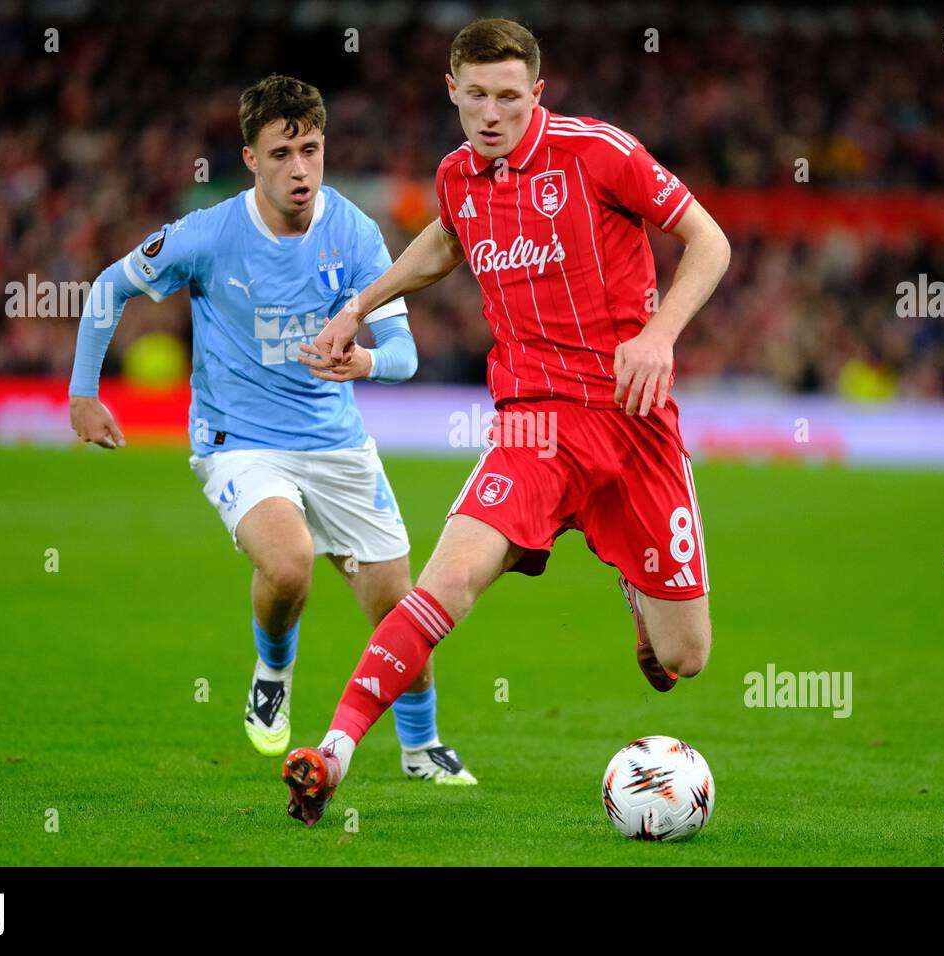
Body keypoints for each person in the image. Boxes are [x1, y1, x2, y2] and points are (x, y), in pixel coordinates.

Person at [283, 19, 730, 825]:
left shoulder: (599, 154)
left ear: (538, 94)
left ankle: (634, 585)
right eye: (477, 96)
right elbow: (444, 244)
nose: (493, 114)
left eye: (510, 98)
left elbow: (710, 239)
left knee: (684, 657)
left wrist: (659, 336)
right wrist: (358, 306)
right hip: (531, 424)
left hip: (633, 424)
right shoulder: (457, 175)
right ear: (453, 91)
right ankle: (334, 749)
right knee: (445, 582)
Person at [67, 74, 476, 785]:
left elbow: (405, 355)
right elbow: (111, 286)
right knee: (288, 562)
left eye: (311, 150)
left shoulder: (352, 231)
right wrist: (82, 391)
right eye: (282, 152)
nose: (300, 169)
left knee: (396, 606)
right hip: (239, 440)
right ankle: (274, 668)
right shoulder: (210, 234)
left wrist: (364, 361)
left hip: (337, 444)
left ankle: (422, 747)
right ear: (251, 157)